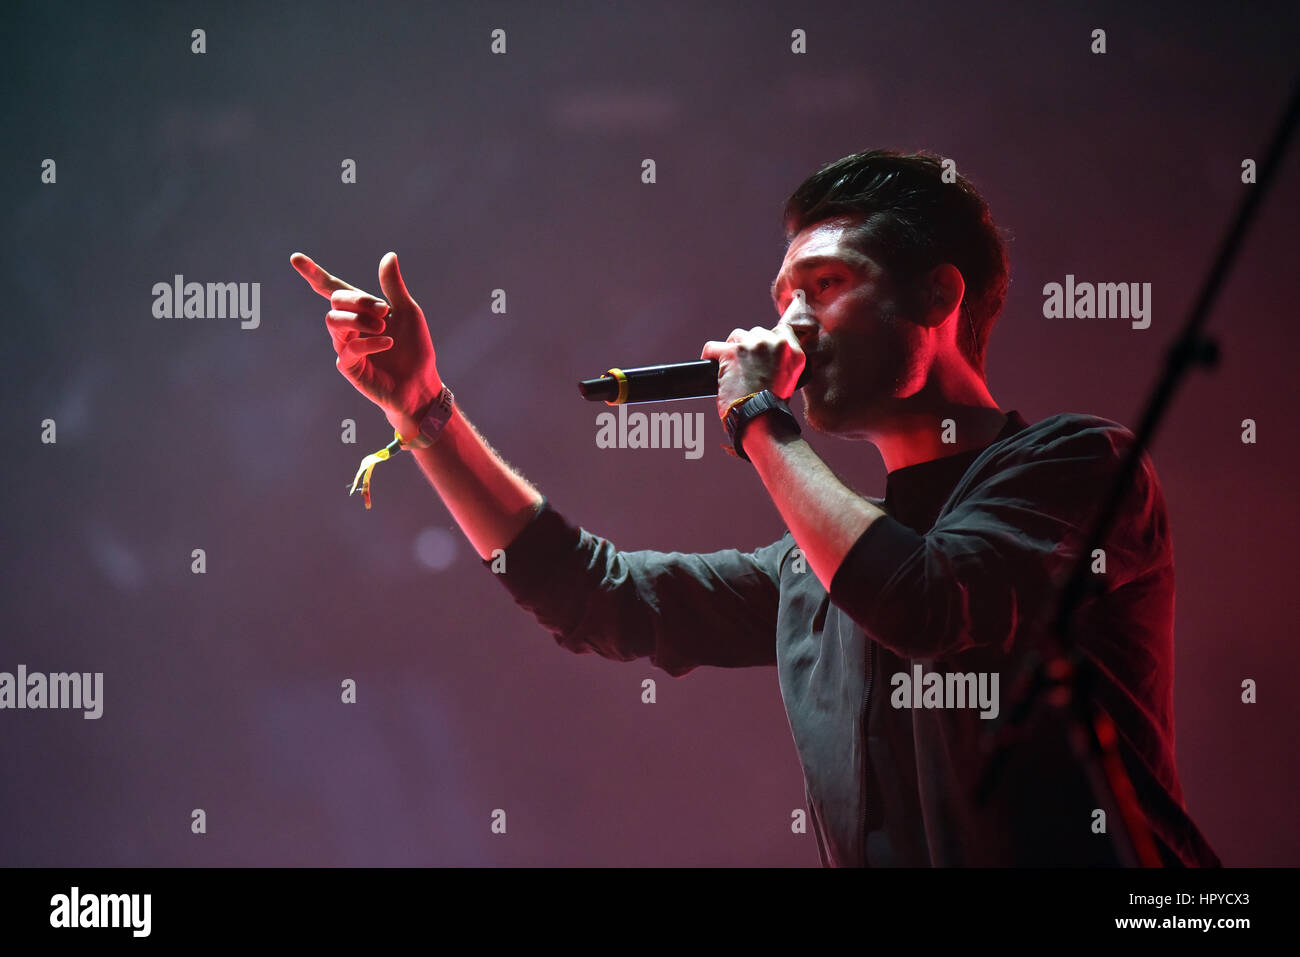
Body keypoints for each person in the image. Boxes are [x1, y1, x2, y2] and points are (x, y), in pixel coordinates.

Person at [291, 149, 1220, 867]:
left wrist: (757, 419)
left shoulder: (1077, 465)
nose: (790, 325)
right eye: (781, 298)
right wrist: (423, 410)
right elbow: (593, 593)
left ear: (940, 292)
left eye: (825, 287)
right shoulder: (811, 571)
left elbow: (930, 600)